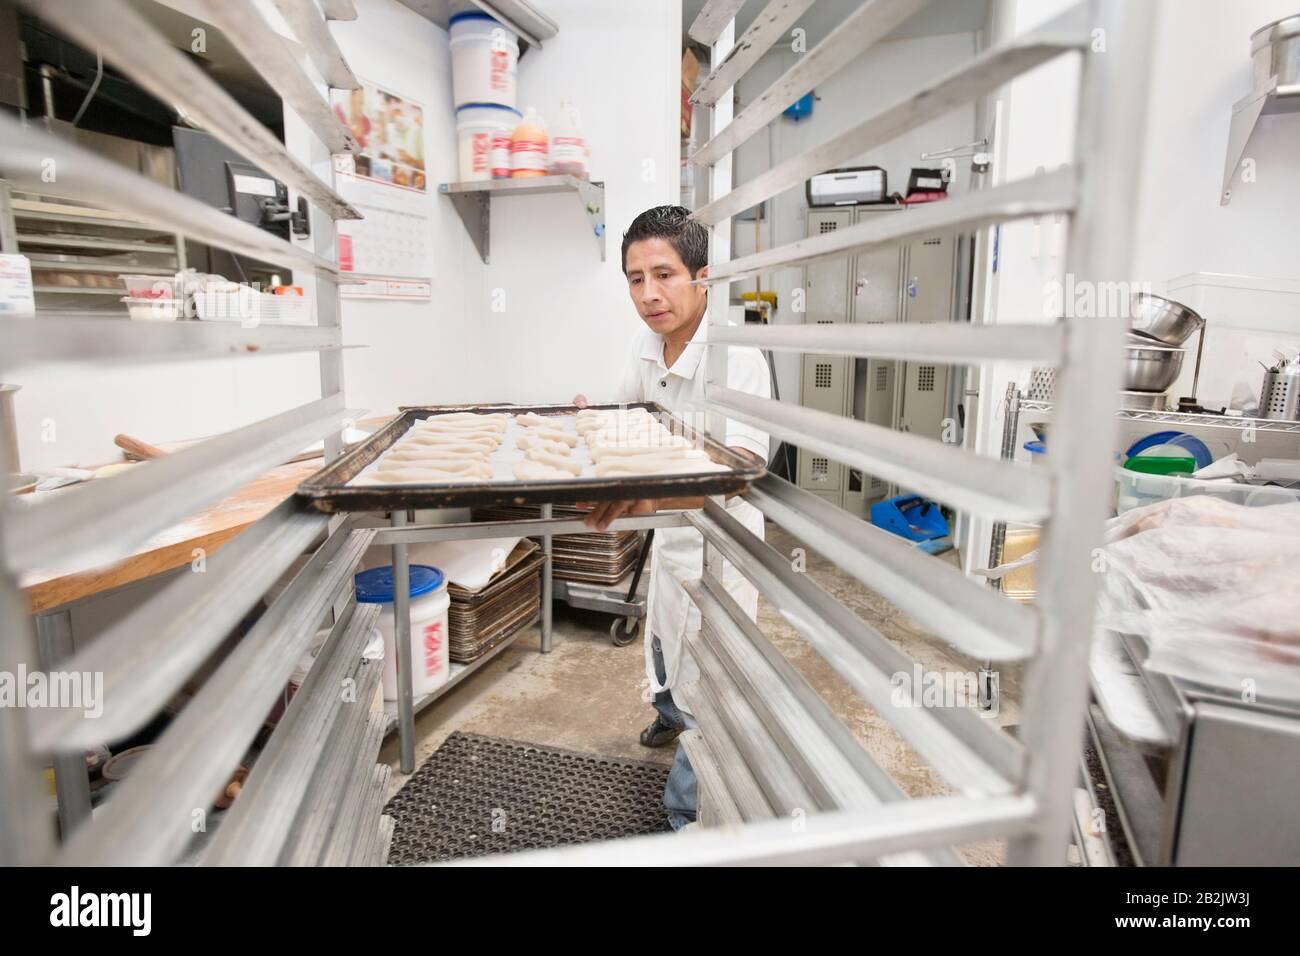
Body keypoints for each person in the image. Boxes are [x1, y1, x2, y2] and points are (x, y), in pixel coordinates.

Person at [573, 205, 770, 829]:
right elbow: (626, 412)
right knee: (663, 640)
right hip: (672, 542)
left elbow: (739, 471)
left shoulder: (736, 356)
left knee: (712, 684)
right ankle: (667, 709)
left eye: (664, 274)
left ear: (702, 276)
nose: (648, 294)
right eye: (635, 279)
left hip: (723, 549)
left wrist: (650, 499)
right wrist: (592, 425)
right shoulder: (646, 344)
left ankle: (688, 815)